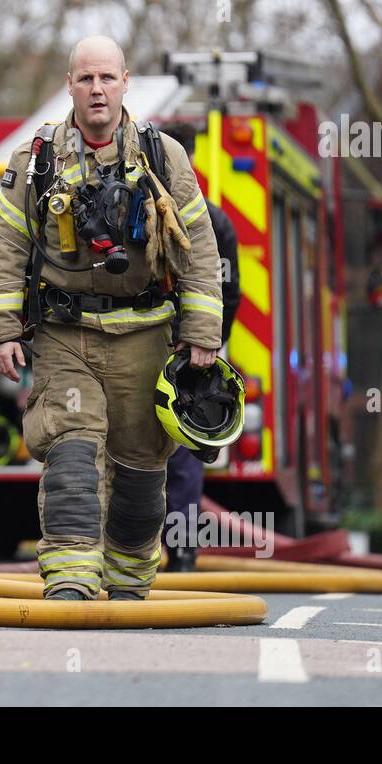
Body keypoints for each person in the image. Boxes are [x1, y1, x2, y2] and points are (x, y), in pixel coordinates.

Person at [0, 36, 224, 600]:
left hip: (144, 336)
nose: (96, 89)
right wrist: (0, 330)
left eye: (106, 78)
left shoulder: (164, 158)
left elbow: (200, 251)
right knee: (71, 446)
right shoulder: (35, 159)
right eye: (86, 79)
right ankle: (69, 582)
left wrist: (201, 335)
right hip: (67, 336)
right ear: (68, 85)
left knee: (141, 464)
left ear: (125, 82)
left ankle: (130, 582)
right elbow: (5, 247)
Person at [158, 122, 241, 572]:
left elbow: (222, 289)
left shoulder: (152, 209)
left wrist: (204, 341)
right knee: (186, 451)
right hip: (191, 351)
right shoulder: (215, 218)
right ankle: (181, 551)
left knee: (162, 452)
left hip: (165, 344)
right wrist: (209, 344)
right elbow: (229, 292)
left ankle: (161, 549)